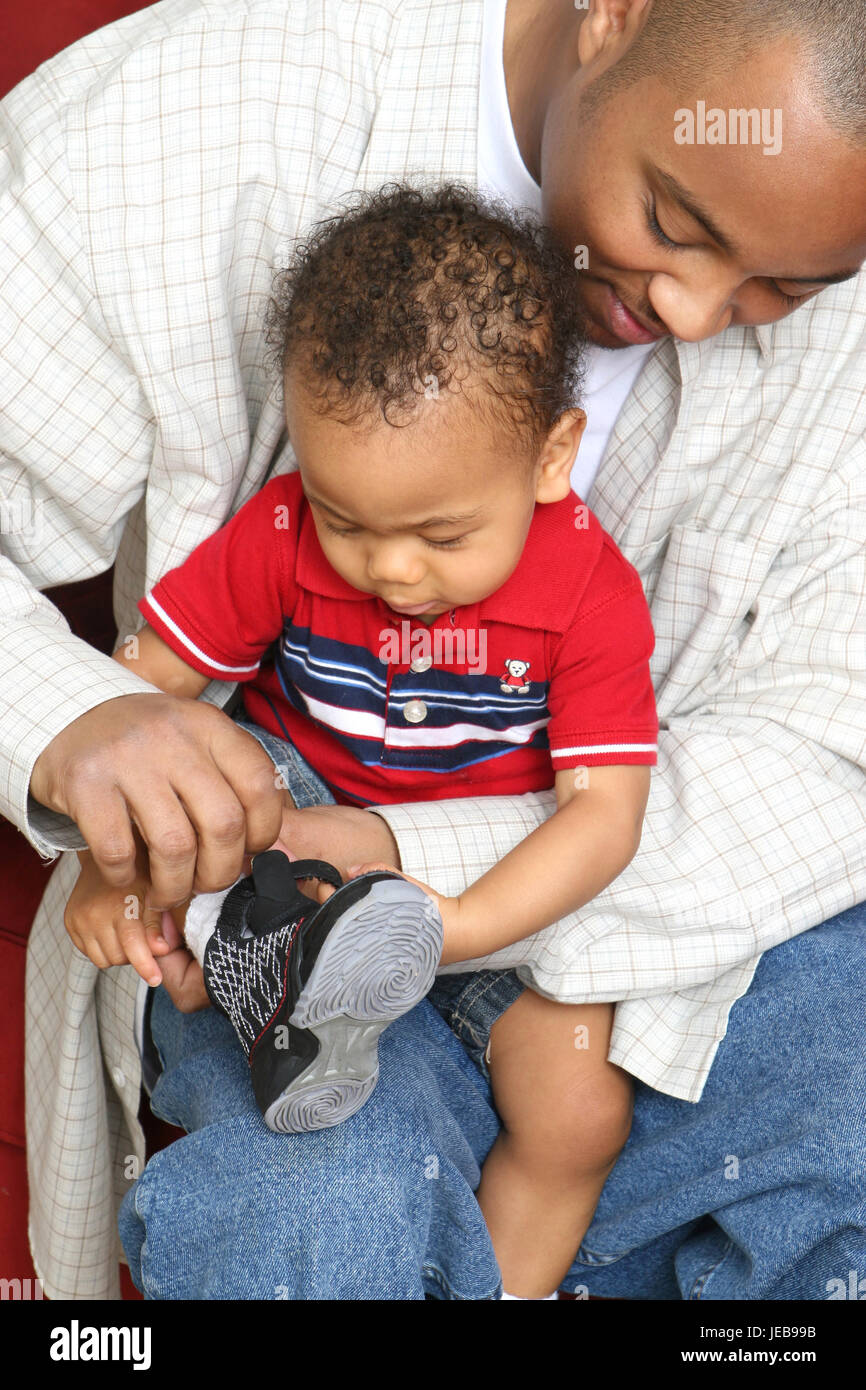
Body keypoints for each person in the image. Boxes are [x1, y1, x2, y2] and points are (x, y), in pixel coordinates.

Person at [9, 0, 866, 1299]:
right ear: (613, 16)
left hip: (666, 910)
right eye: (674, 224)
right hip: (283, 849)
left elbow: (815, 752)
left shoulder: (583, 591)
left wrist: (428, 885)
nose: (697, 311)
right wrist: (85, 743)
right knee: (313, 1209)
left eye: (782, 287)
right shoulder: (204, 111)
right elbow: (168, 665)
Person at [64, 182, 658, 1299]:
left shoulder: (588, 589)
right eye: (349, 521)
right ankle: (272, 970)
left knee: (578, 1110)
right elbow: (139, 699)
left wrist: (460, 923)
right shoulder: (282, 530)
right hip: (296, 828)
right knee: (224, 773)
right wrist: (118, 865)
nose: (390, 569)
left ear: (549, 456)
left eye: (440, 532)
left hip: (490, 893)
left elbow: (601, 817)